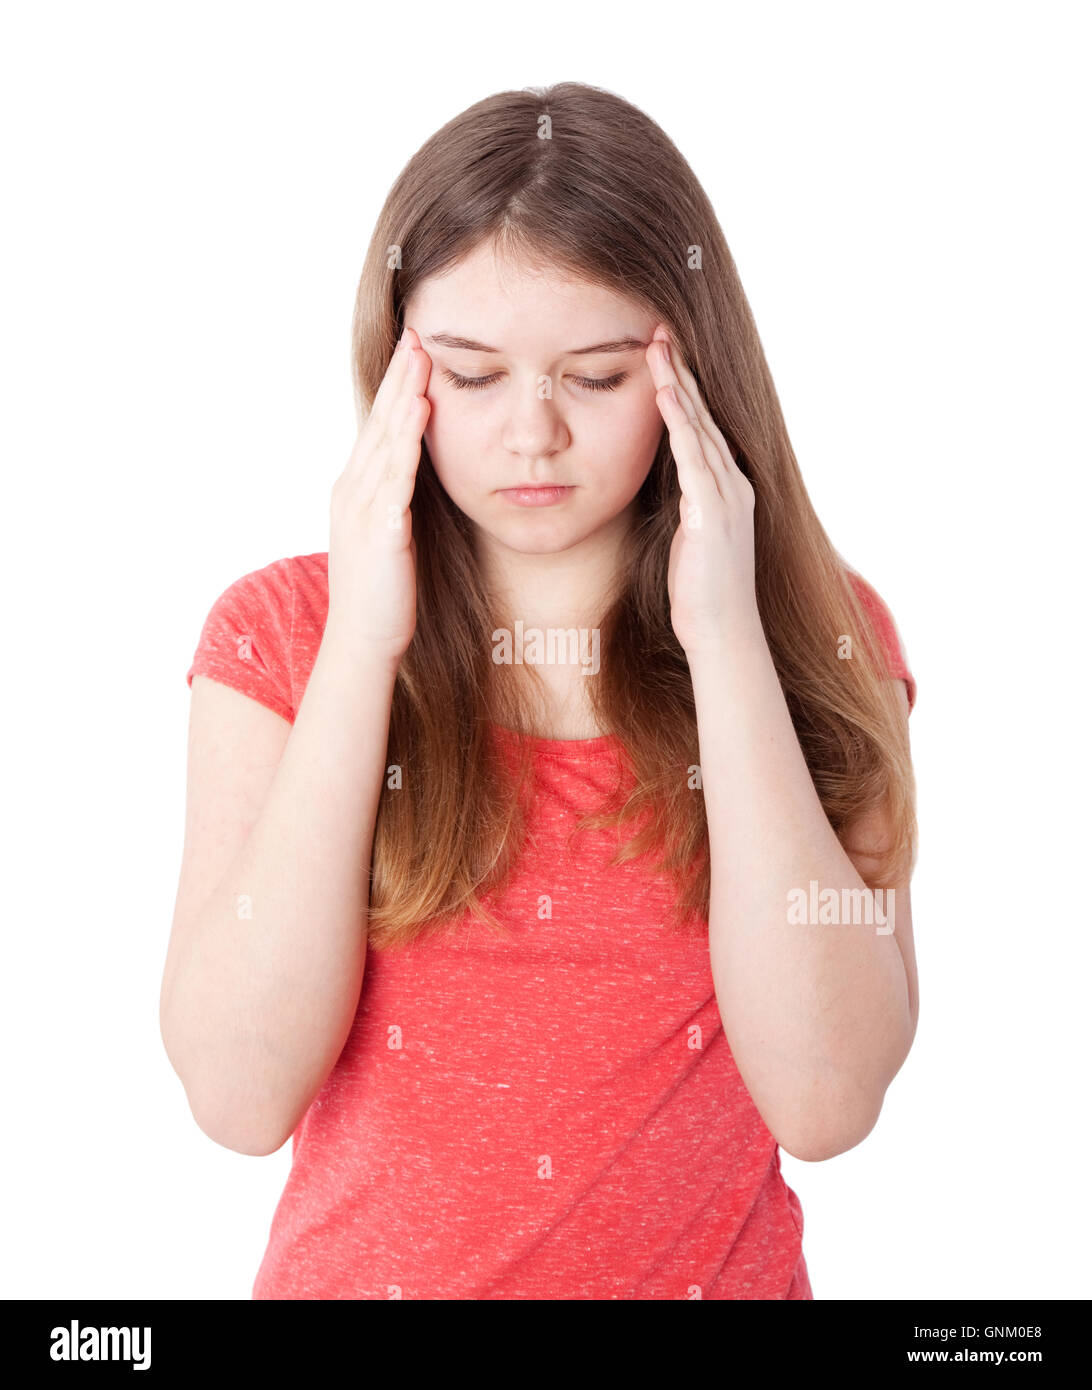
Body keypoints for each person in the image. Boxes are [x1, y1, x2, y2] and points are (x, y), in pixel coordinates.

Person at [160, 81, 919, 1300]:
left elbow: (828, 1098)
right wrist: (364, 644)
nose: (534, 434)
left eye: (600, 375)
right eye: (470, 375)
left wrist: (724, 639)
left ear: (691, 369)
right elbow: (239, 1096)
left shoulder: (816, 638)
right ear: (399, 368)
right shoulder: (282, 639)